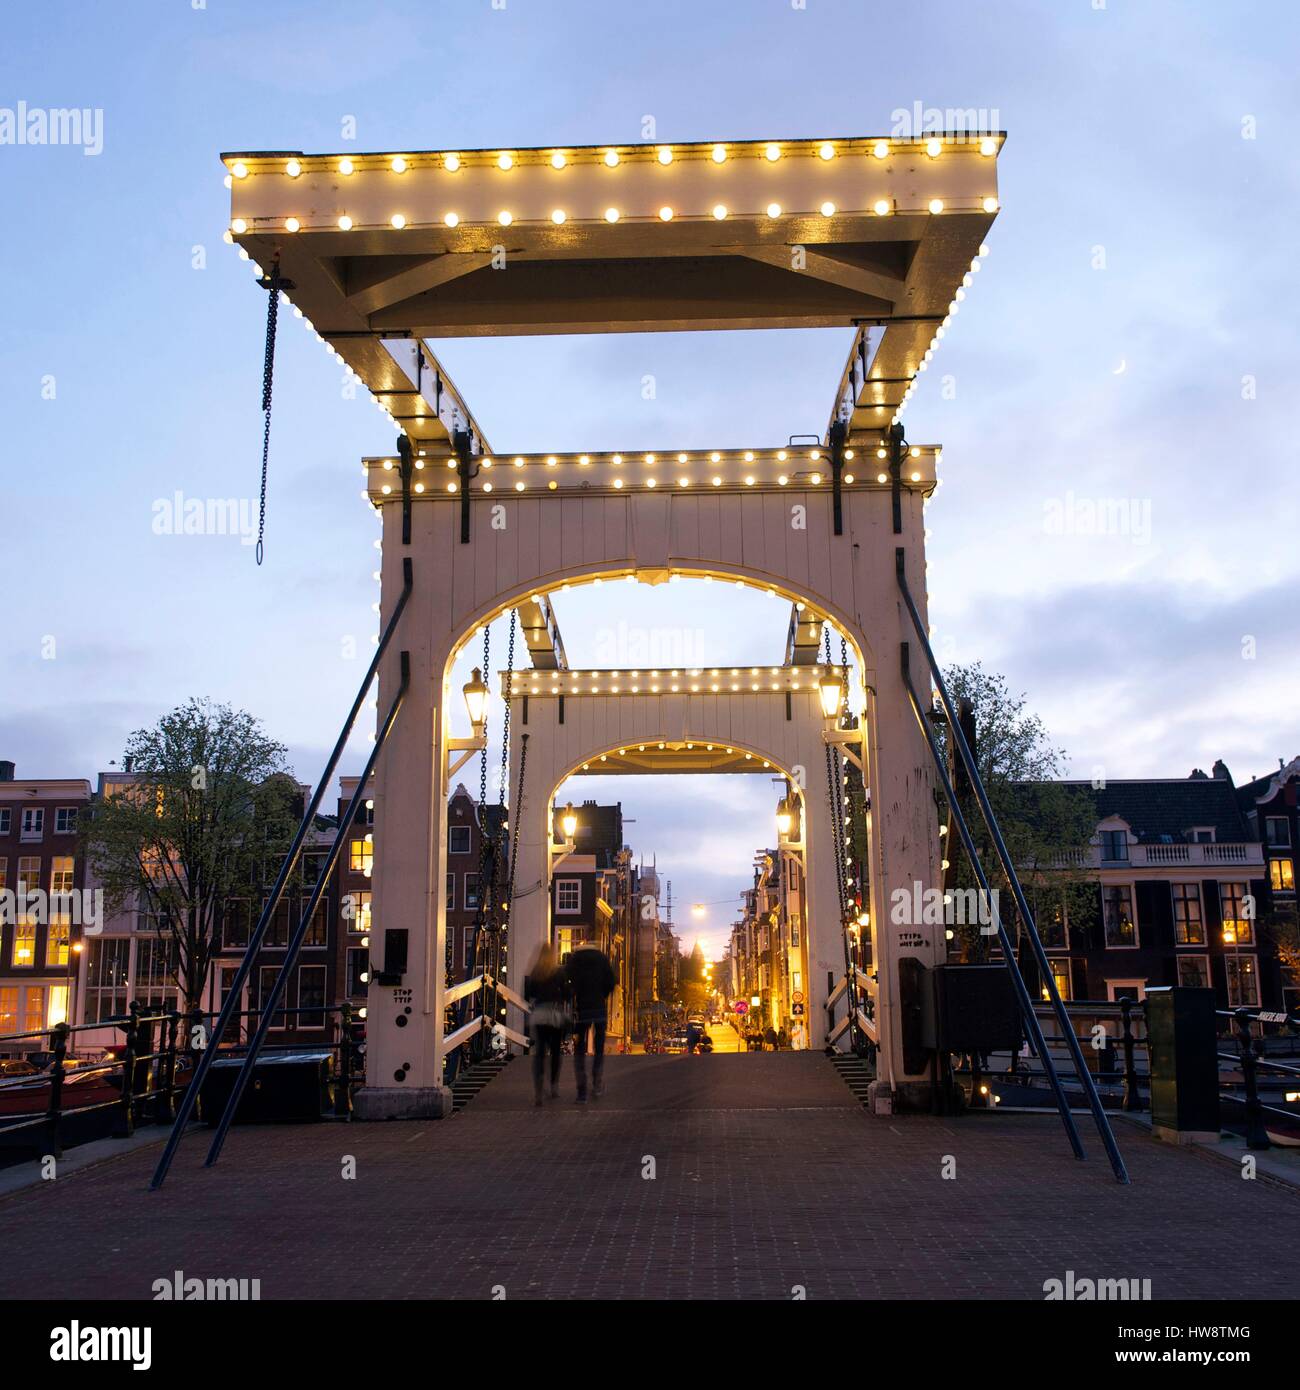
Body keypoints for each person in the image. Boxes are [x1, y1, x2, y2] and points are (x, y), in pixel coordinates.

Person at [564, 942, 616, 1102]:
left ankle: (582, 1092)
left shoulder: (575, 960)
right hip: (599, 1009)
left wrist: (575, 994)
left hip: (583, 1010)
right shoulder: (602, 958)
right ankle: (597, 1083)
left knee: (579, 1050)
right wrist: (602, 995)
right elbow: (611, 981)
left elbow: (567, 980)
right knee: (599, 1050)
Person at [524, 943, 568, 1106]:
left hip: (540, 1014)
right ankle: (554, 1086)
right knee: (556, 1052)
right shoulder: (558, 972)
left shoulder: (536, 971)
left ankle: (538, 1090)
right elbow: (566, 992)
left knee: (540, 1054)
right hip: (554, 1015)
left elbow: (529, 993)